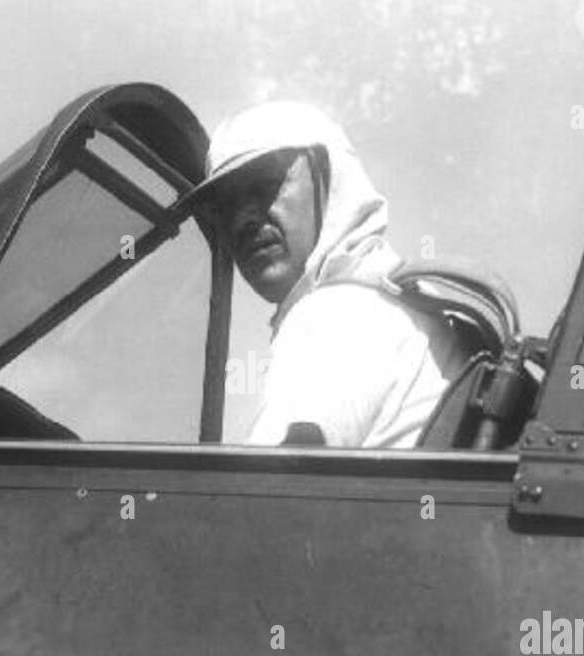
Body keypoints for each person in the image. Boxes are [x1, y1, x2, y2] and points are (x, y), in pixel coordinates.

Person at [188, 101, 465, 448]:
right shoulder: (392, 301)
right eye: (225, 206)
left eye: (266, 186)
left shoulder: (333, 314)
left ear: (331, 180)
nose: (242, 220)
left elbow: (262, 490)